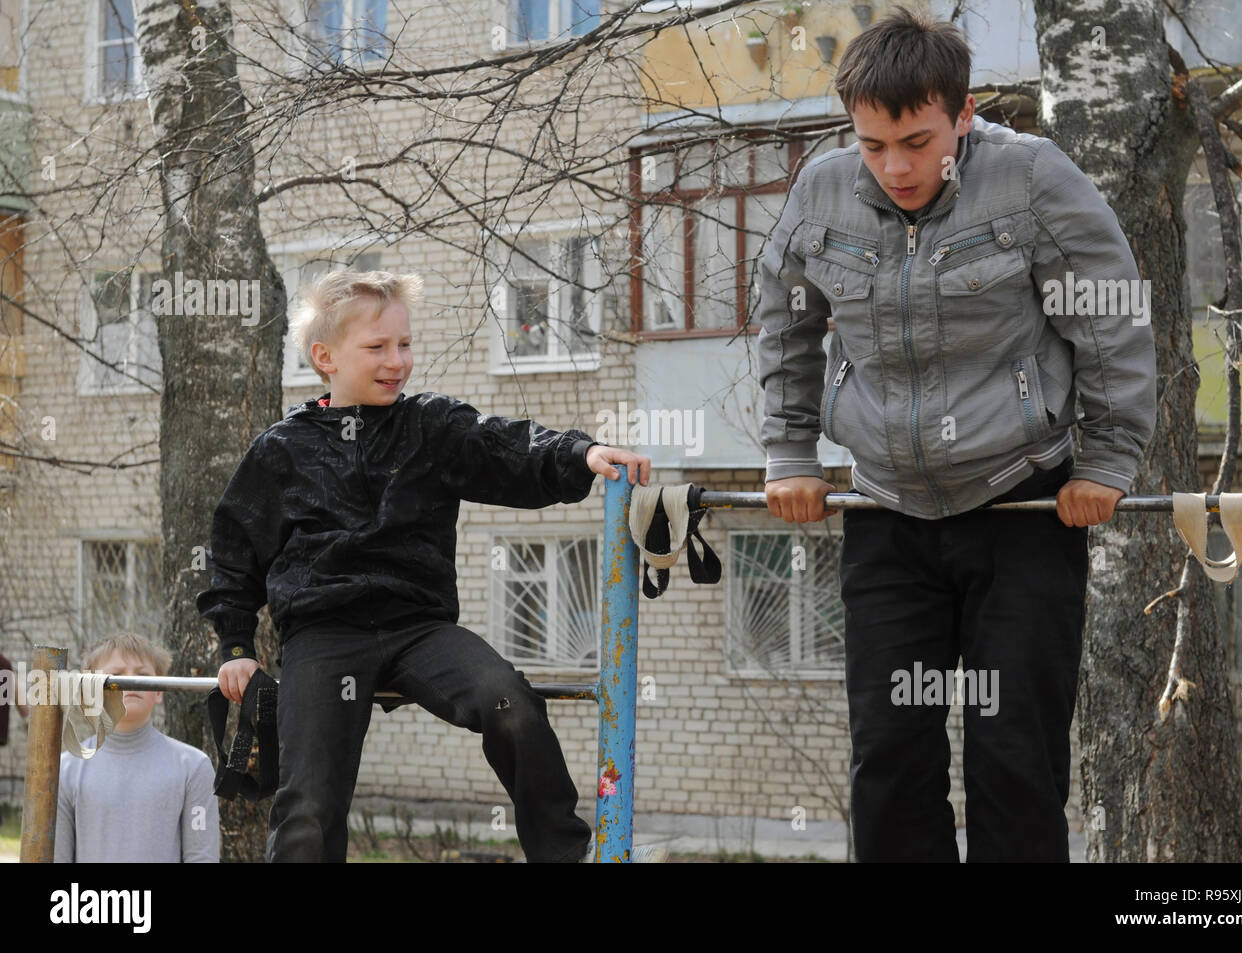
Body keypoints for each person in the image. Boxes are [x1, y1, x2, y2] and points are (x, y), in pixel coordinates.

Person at [757, 9, 1156, 862]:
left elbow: (1111, 315)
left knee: (1015, 758)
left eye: (916, 140)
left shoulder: (1031, 179)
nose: (895, 165)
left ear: (964, 114)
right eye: (873, 144)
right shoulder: (820, 192)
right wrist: (790, 454)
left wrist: (1108, 460)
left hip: (1019, 508)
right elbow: (784, 326)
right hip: (886, 513)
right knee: (890, 762)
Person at [197, 270, 652, 862]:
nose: (397, 360)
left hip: (419, 629)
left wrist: (580, 453)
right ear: (325, 357)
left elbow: (506, 447)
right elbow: (234, 552)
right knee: (308, 800)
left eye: (404, 344)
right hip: (324, 633)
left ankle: (564, 855)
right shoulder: (282, 450)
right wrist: (235, 646)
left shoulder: (430, 427)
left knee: (507, 701)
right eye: (378, 347)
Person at [54, 633, 220, 862]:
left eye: (142, 675)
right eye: (116, 675)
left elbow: (202, 857)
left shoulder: (193, 767)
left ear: (159, 690)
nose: (130, 681)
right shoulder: (66, 770)